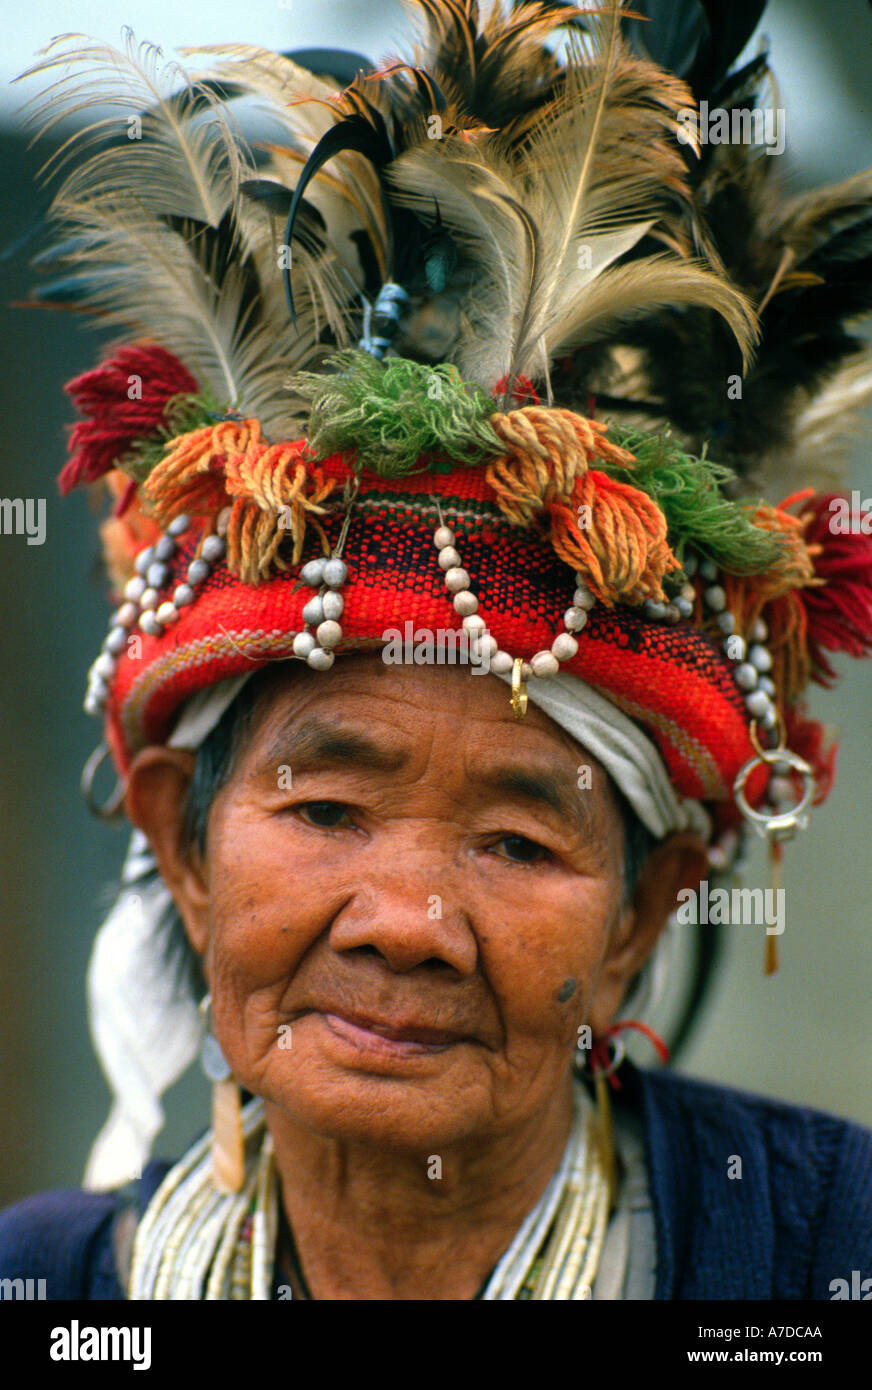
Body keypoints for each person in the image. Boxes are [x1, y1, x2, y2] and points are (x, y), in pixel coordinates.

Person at [2, 0, 871, 1300]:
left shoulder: (820, 1256)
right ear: (183, 837)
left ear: (643, 906)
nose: (408, 926)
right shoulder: (51, 1289)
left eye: (519, 840)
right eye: (331, 805)